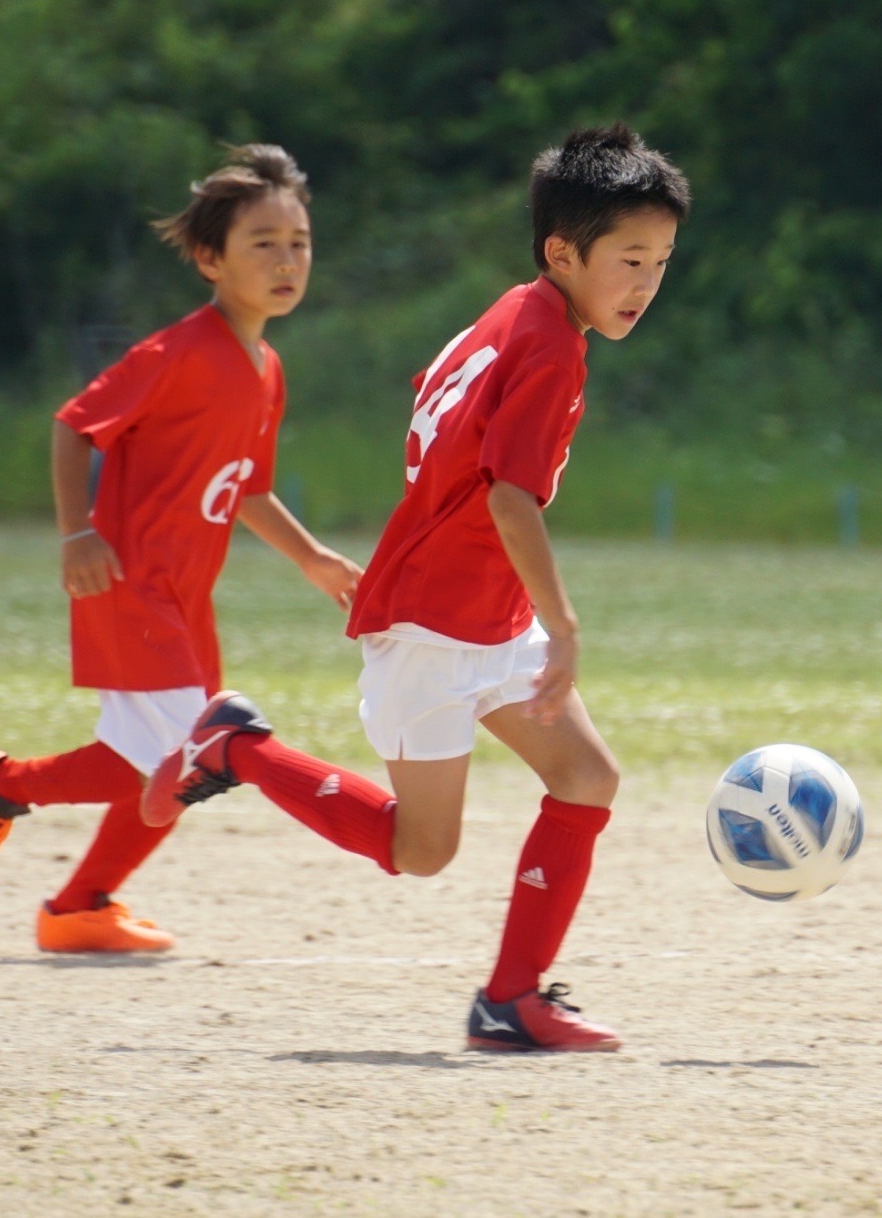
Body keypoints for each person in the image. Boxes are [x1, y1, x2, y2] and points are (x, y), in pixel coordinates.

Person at [139, 124, 691, 1053]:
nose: (645, 282)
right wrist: (562, 621)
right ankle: (239, 749)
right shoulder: (552, 350)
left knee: (587, 777)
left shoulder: (518, 311)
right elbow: (510, 496)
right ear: (564, 251)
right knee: (419, 848)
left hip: (478, 608)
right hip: (437, 625)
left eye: (662, 261)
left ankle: (510, 1000)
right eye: (629, 258)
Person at [0, 145, 363, 953]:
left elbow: (246, 489)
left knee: (169, 764)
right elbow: (74, 425)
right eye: (263, 243)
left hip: (183, 597)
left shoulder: (266, 367)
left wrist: (310, 556)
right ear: (211, 259)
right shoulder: (177, 354)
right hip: (130, 581)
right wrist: (77, 531)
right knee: (182, 760)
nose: (286, 260)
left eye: (300, 242)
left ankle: (78, 907)